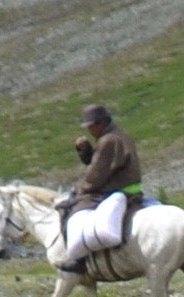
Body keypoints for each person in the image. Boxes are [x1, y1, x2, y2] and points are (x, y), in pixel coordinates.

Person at [60, 99, 144, 266]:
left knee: (73, 209)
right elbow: (101, 163)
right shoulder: (120, 135)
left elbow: (96, 174)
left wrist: (80, 190)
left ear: (99, 124)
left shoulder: (108, 140)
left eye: (91, 126)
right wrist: (86, 151)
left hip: (117, 190)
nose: (90, 131)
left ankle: (77, 261)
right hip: (130, 189)